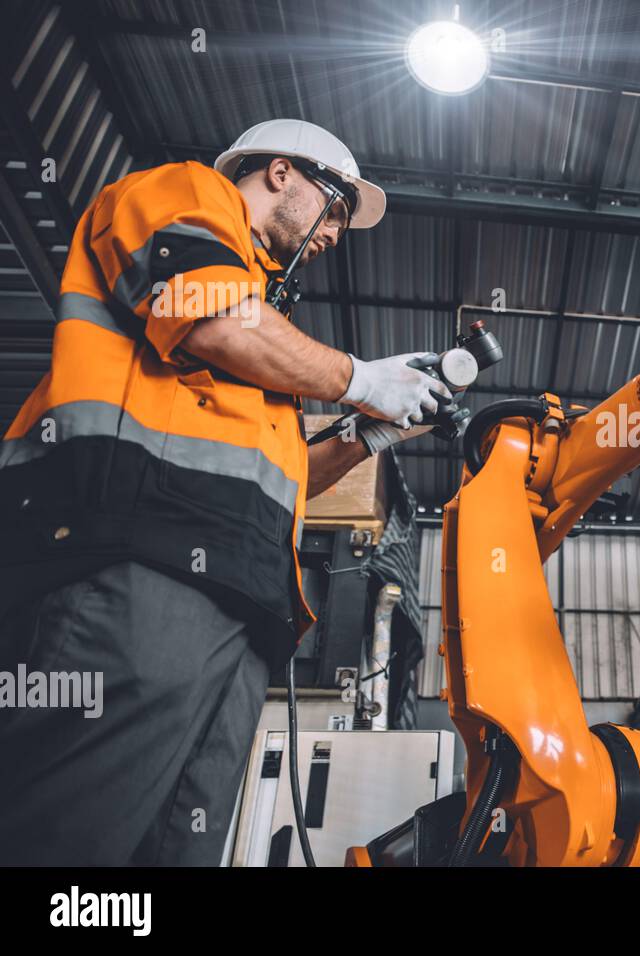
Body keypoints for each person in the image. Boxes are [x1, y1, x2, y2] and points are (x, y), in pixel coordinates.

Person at [0, 119, 454, 865]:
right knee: (71, 836)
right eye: (335, 206)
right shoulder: (186, 190)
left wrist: (365, 433)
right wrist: (363, 379)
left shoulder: (266, 353)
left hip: (237, 609)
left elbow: (282, 490)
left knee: (173, 848)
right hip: (136, 568)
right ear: (281, 173)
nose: (338, 232)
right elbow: (205, 314)